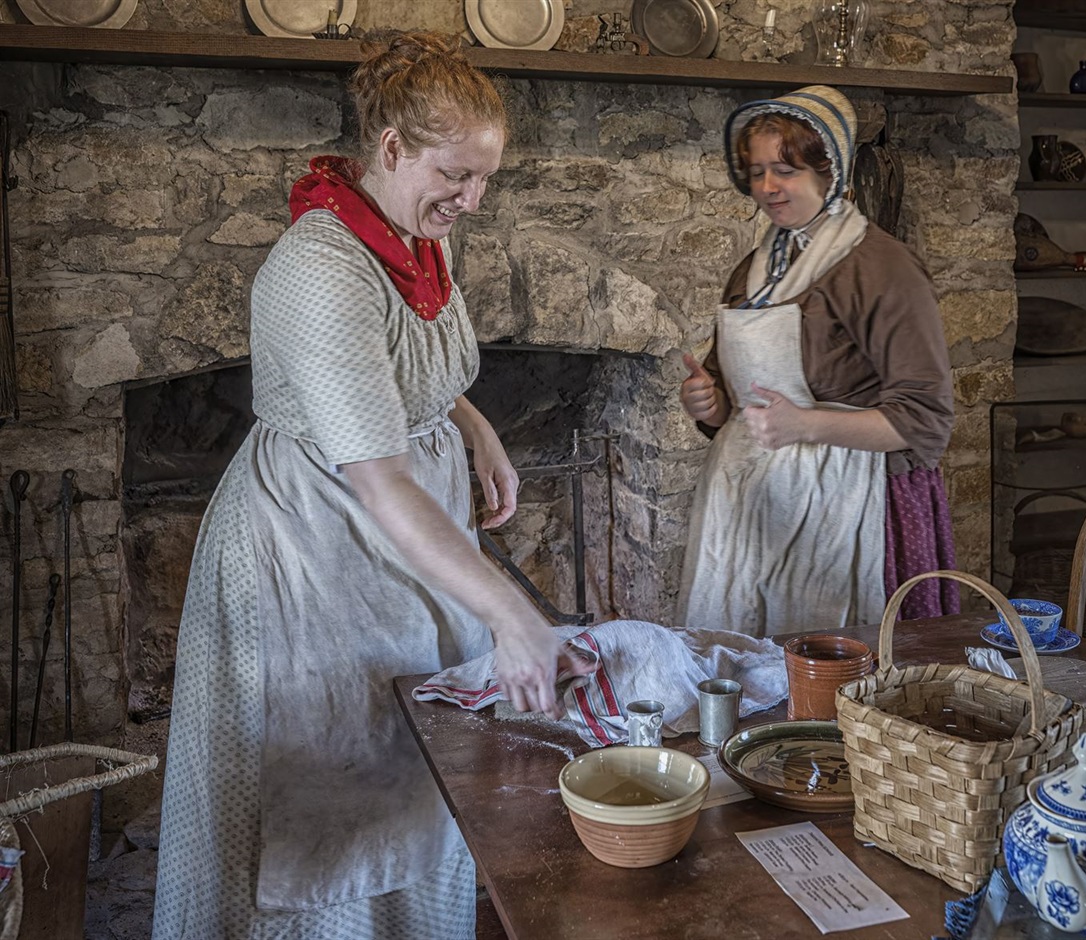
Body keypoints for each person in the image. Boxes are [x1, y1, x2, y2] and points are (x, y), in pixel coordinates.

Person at [152, 32, 590, 940]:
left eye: (485, 180)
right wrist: (516, 615)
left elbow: (408, 364)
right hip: (313, 547)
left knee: (401, 762)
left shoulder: (409, 234)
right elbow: (381, 480)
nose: (471, 200)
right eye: (457, 175)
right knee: (322, 784)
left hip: (393, 540)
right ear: (391, 149)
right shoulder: (322, 267)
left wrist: (474, 427)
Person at [677, 85, 958, 637]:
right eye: (757, 172)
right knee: (749, 661)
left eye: (785, 170)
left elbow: (926, 418)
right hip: (753, 507)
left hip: (852, 501)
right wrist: (709, 403)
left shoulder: (880, 267)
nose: (767, 188)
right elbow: (733, 398)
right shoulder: (757, 268)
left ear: (831, 170)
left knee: (840, 673)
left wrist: (803, 424)